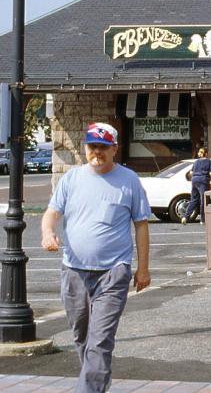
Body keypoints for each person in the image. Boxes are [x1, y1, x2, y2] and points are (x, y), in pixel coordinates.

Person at [41, 122, 151, 393]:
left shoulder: (129, 180)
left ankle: (89, 388)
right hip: (74, 270)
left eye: (103, 147)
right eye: (93, 146)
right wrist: (47, 232)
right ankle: (96, 381)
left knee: (100, 340)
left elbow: (141, 225)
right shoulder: (72, 178)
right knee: (81, 337)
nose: (97, 152)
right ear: (85, 147)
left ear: (115, 148)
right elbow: (52, 213)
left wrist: (143, 268)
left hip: (113, 271)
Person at [182, 147, 211, 224]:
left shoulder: (196, 162)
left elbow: (191, 173)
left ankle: (185, 217)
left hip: (194, 180)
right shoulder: (209, 162)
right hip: (203, 180)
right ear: (206, 154)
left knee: (194, 199)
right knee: (203, 200)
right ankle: (202, 219)